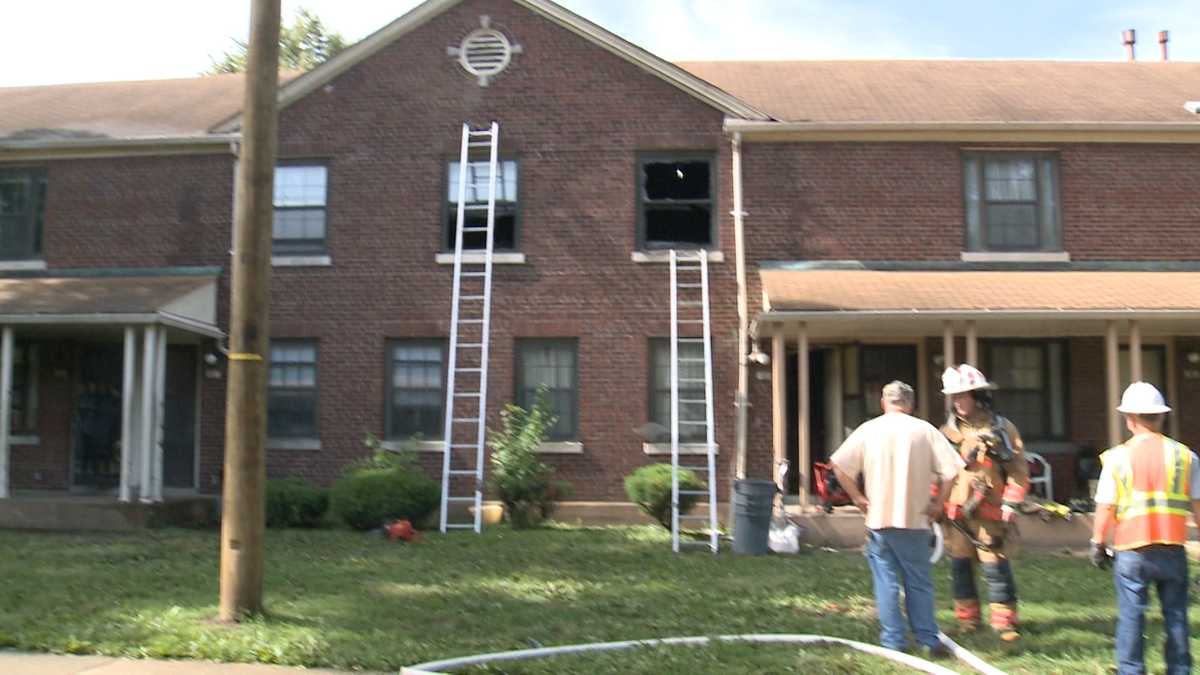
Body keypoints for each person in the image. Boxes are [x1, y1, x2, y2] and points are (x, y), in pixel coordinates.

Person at [831, 381, 961, 657]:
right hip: (915, 519)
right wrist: (938, 504)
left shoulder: (869, 430)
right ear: (911, 404)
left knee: (886, 581)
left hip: (879, 518)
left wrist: (857, 497)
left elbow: (839, 465)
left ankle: (893, 641)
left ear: (883, 402)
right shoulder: (925, 431)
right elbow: (951, 472)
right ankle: (927, 637)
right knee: (918, 581)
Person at [1091, 381, 1200, 675]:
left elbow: (1106, 506)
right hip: (1173, 549)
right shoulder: (1185, 457)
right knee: (1176, 616)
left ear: (1129, 419)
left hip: (1131, 551)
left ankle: (1131, 671)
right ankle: (1180, 670)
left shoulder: (1116, 458)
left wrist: (1098, 543)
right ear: (1161, 417)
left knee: (1131, 617)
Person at [939, 364, 1029, 642]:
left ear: (978, 395)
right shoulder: (946, 433)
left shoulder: (1002, 429)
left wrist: (1011, 504)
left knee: (995, 568)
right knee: (960, 568)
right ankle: (967, 621)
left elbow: (1018, 470)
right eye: (954, 397)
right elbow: (938, 472)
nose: (958, 402)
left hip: (990, 513)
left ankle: (1004, 623)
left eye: (963, 396)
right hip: (956, 515)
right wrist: (935, 506)